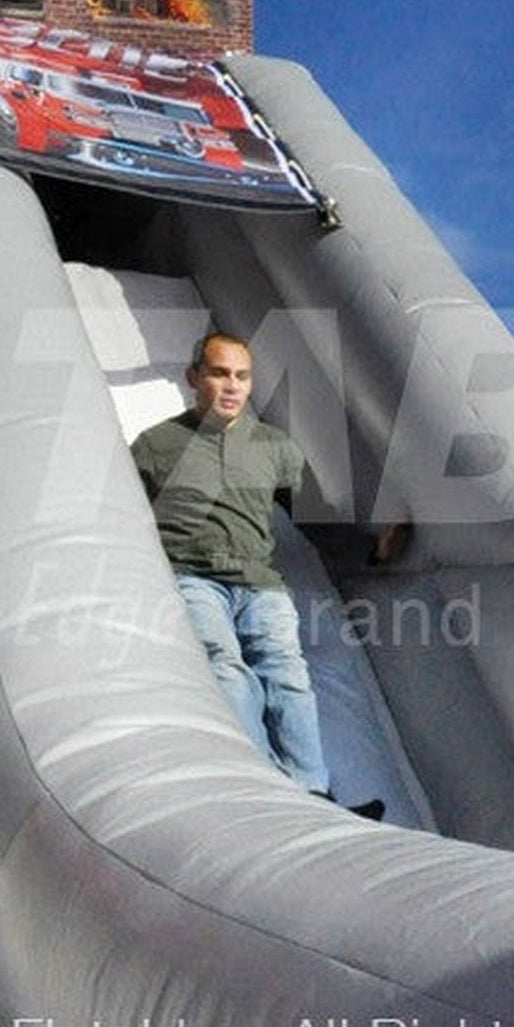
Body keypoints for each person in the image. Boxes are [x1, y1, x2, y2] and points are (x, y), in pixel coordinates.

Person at [131, 332, 382, 820]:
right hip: (193, 577)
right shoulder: (155, 445)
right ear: (194, 377)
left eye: (242, 376)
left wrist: (371, 550)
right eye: (220, 373)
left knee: (287, 672)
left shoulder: (272, 446)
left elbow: (315, 517)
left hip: (260, 584)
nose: (232, 385)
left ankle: (312, 795)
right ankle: (264, 788)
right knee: (226, 667)